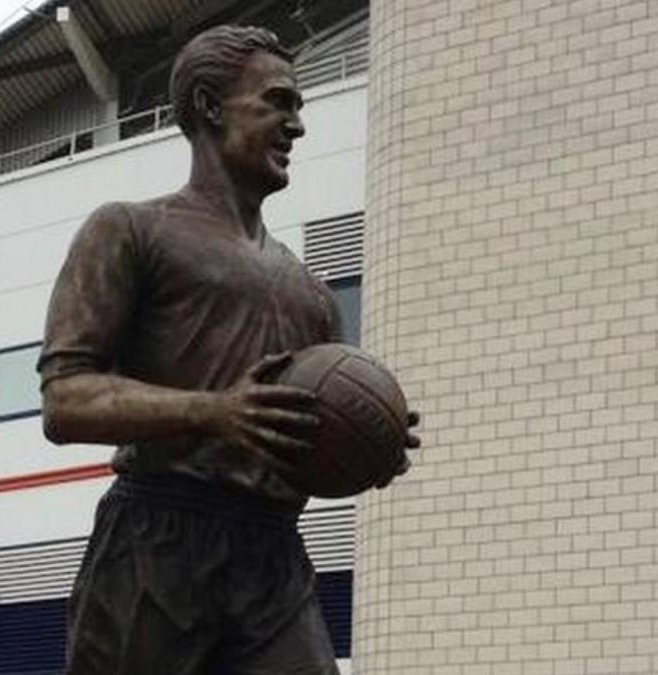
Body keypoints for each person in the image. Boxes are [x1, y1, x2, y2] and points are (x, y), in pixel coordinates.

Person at [38, 25, 417, 675]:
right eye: (278, 102)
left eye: (299, 107)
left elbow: (305, 432)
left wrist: (367, 444)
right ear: (210, 106)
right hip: (158, 537)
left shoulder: (312, 293)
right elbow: (65, 401)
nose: (296, 125)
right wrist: (214, 411)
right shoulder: (128, 229)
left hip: (272, 553)